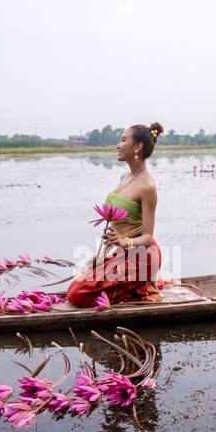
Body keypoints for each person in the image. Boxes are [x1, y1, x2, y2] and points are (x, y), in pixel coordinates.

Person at [65, 121, 163, 307]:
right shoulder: (124, 178)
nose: (118, 145)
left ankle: (138, 289)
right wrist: (101, 254)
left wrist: (124, 242)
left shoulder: (147, 186)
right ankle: (133, 288)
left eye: (123, 140)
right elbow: (115, 228)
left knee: (77, 294)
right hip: (122, 253)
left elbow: (148, 238)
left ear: (138, 146)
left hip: (143, 256)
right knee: (76, 287)